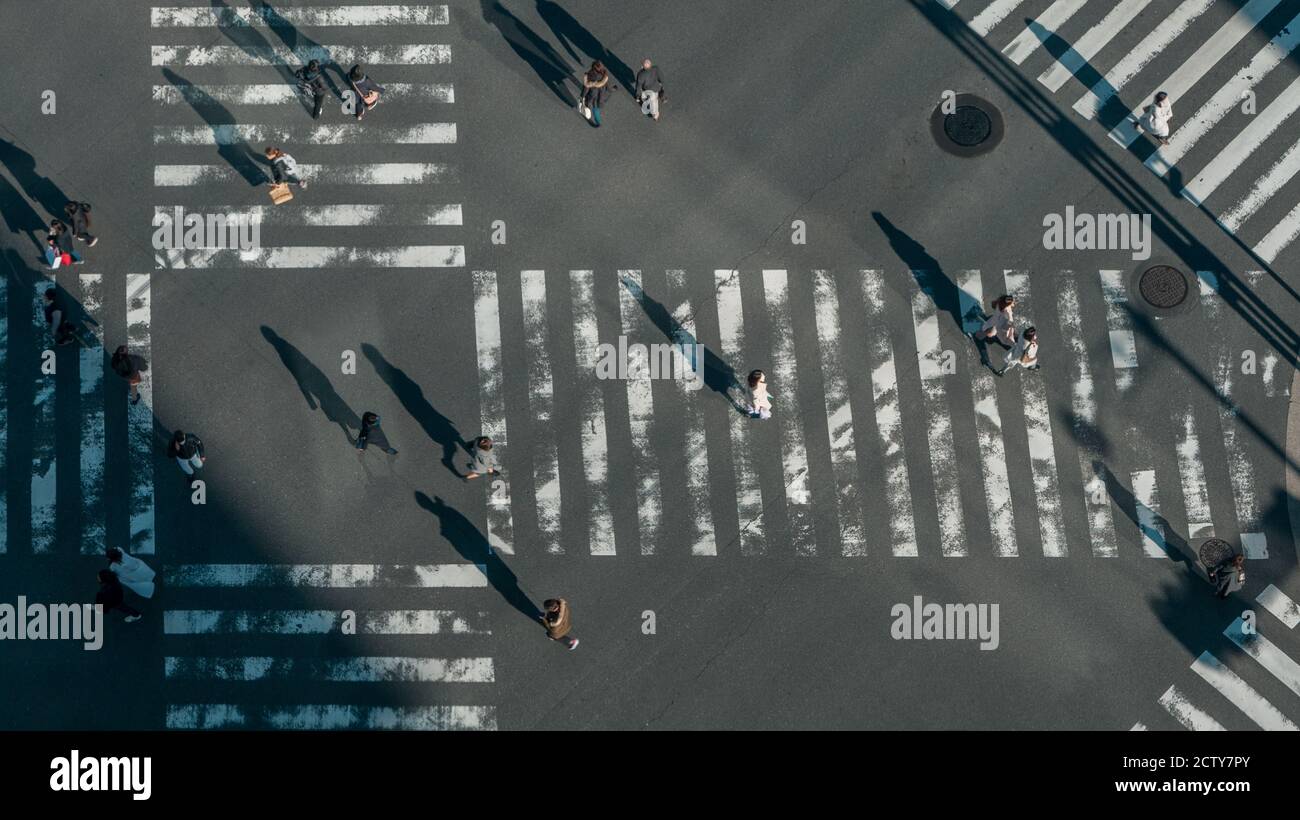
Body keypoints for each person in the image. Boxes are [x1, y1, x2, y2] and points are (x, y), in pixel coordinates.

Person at [580, 60, 611, 126]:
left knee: (589, 104)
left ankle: (588, 114)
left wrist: (582, 96)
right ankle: (598, 122)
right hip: (601, 93)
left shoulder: (590, 74)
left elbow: (586, 87)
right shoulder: (604, 74)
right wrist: (610, 90)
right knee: (596, 108)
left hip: (593, 93)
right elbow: (607, 85)